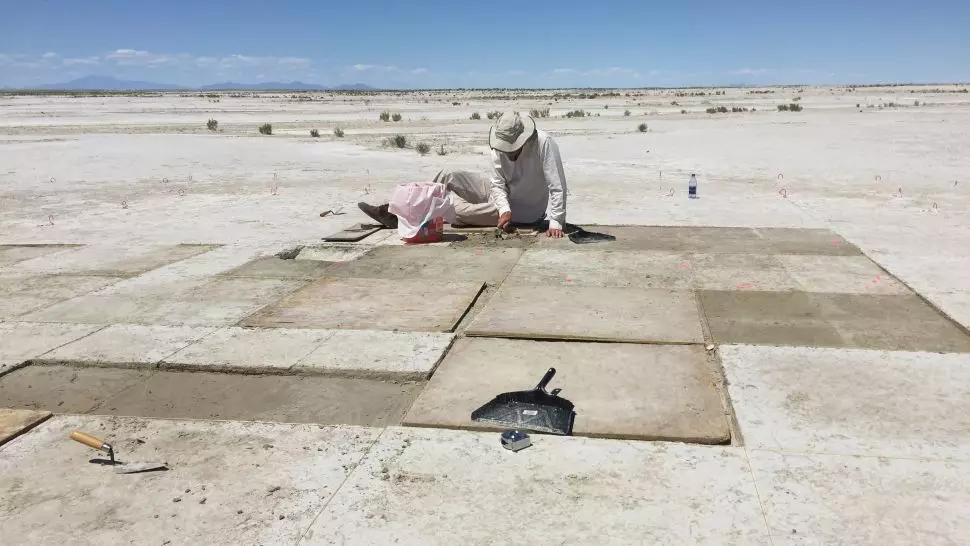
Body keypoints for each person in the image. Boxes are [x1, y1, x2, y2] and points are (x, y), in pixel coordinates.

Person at [358, 110, 568, 238]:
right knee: (448, 174)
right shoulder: (499, 145)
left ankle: (416, 214)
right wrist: (503, 207)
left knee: (454, 210)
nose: (508, 152)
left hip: (525, 210)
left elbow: (557, 185)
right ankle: (400, 211)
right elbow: (497, 183)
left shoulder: (544, 143)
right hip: (502, 195)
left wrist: (556, 222)